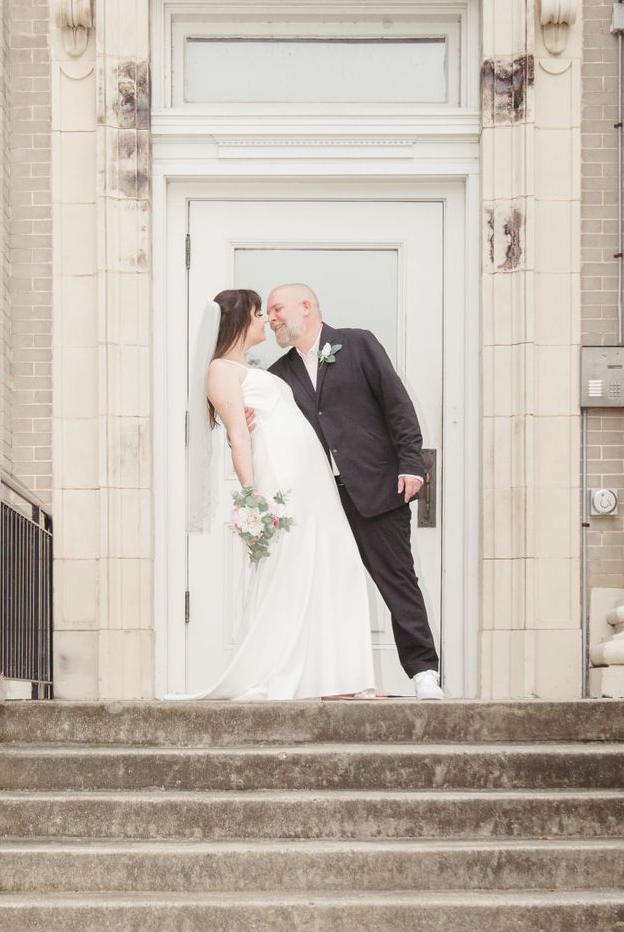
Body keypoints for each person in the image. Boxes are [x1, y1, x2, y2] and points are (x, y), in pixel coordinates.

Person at [181, 288, 379, 701]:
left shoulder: (255, 368)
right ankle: (286, 671)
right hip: (283, 480)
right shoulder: (220, 369)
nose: (265, 321)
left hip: (313, 480)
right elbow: (238, 436)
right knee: (293, 570)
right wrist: (252, 496)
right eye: (258, 314)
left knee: (333, 563)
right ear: (238, 321)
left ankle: (338, 678)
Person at [264, 283, 442, 701]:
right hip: (319, 501)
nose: (270, 317)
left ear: (305, 307)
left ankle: (424, 672)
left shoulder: (358, 344)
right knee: (327, 587)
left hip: (377, 490)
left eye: (276, 308)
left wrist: (412, 465)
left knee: (397, 581)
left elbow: (397, 405)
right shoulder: (277, 375)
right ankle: (333, 676)